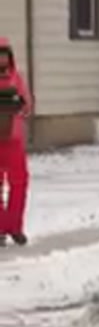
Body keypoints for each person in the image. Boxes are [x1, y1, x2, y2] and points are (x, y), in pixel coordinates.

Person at [0, 37, 31, 246]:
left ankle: (15, 226)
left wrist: (19, 104)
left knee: (19, 182)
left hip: (14, 139)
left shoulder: (16, 78)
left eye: (4, 55)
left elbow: (27, 106)